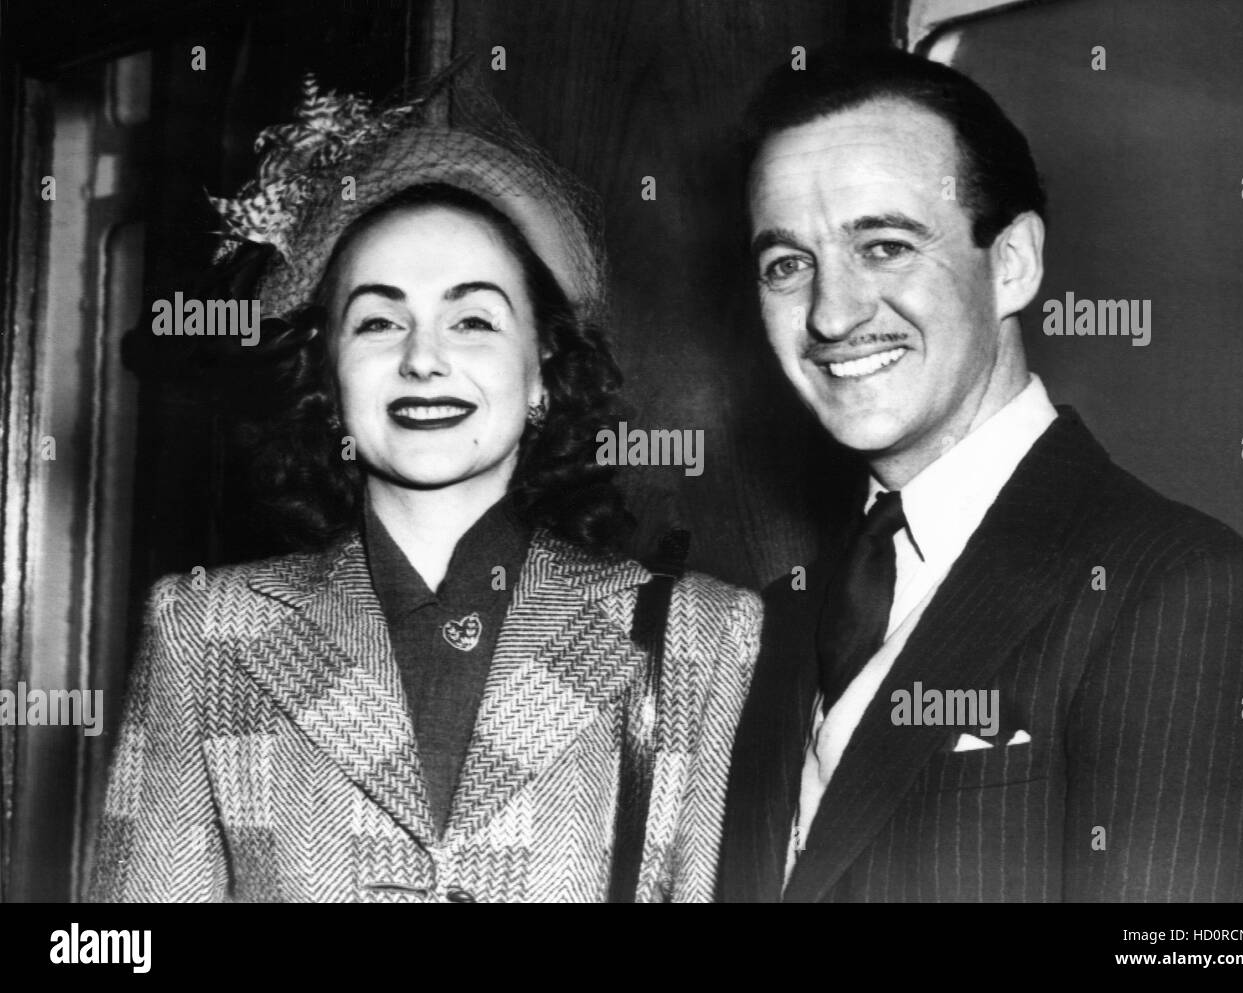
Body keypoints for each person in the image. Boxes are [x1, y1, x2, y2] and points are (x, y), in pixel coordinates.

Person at [91, 73, 760, 903]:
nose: (423, 358)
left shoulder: (699, 636)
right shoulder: (205, 632)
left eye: (473, 319)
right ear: (327, 375)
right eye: (378, 320)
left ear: (543, 367)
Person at [719, 46, 1243, 902]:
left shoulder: (1183, 593)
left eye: (884, 246)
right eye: (786, 264)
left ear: (1013, 263)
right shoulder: (769, 622)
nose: (832, 313)